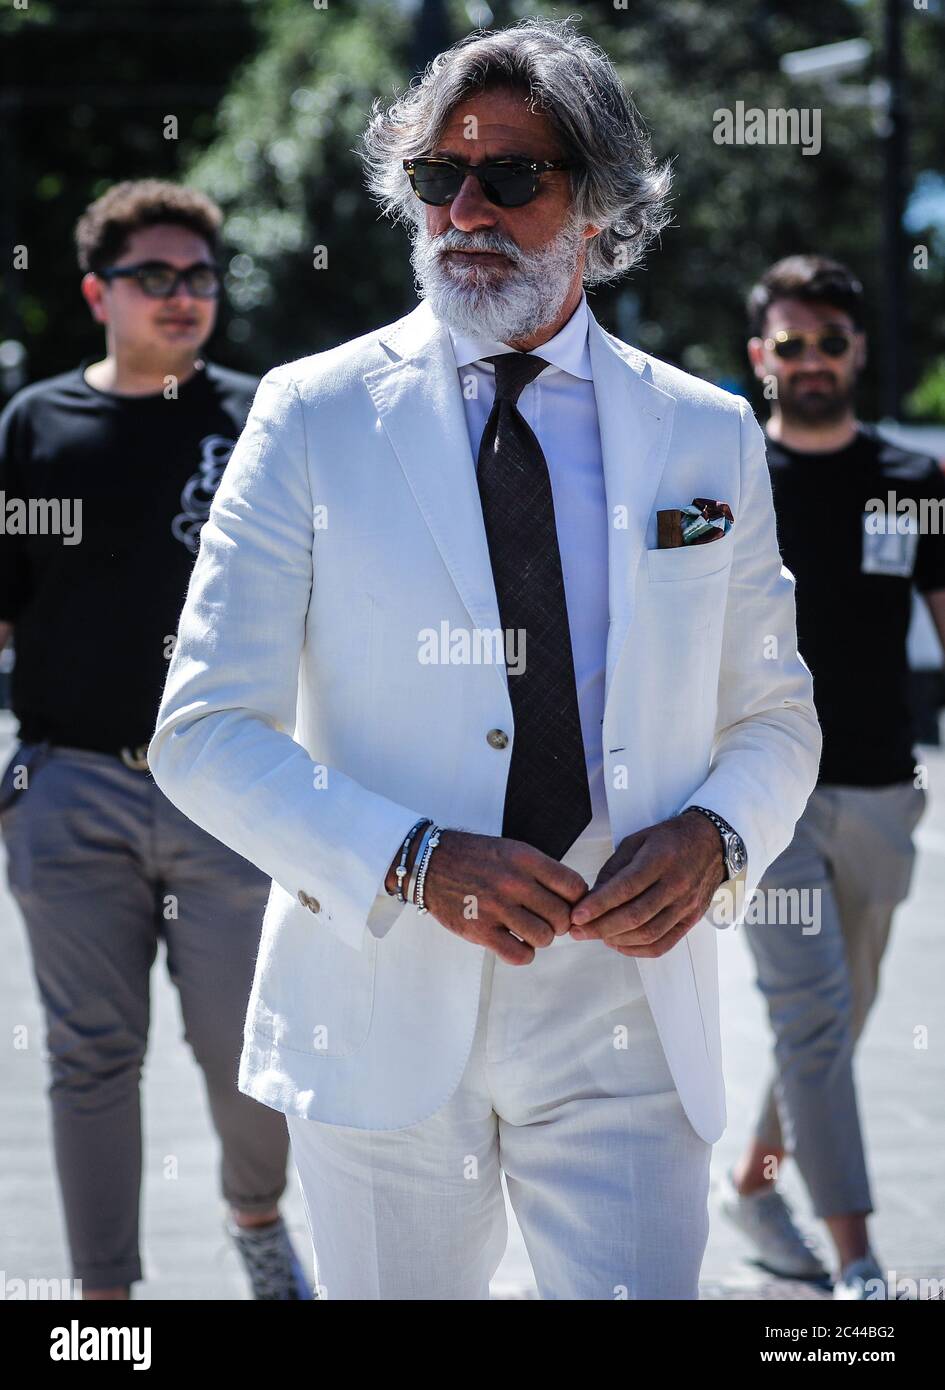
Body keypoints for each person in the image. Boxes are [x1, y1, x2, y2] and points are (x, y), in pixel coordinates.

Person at [148, 18, 821, 1301]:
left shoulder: (706, 435)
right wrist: (410, 859)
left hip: (628, 1011)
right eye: (437, 177)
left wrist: (720, 839)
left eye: (512, 177)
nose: (465, 207)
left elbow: (777, 719)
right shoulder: (312, 413)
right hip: (381, 999)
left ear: (599, 210)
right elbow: (203, 728)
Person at [0, 180, 310, 1299]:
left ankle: (259, 1219)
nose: (182, 297)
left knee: (246, 1054)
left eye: (199, 277)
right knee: (88, 1062)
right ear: (97, 292)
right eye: (153, 277)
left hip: (229, 792)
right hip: (71, 788)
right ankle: (104, 1301)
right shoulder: (36, 425)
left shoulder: (264, 416)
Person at [721, 254, 945, 1299]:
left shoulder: (914, 482)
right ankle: (857, 1256)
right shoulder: (730, 476)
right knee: (811, 1017)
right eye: (790, 343)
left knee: (841, 1020)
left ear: (858, 351)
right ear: (760, 355)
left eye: (831, 342)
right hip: (768, 795)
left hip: (881, 790)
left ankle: (756, 1186)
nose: (810, 360)